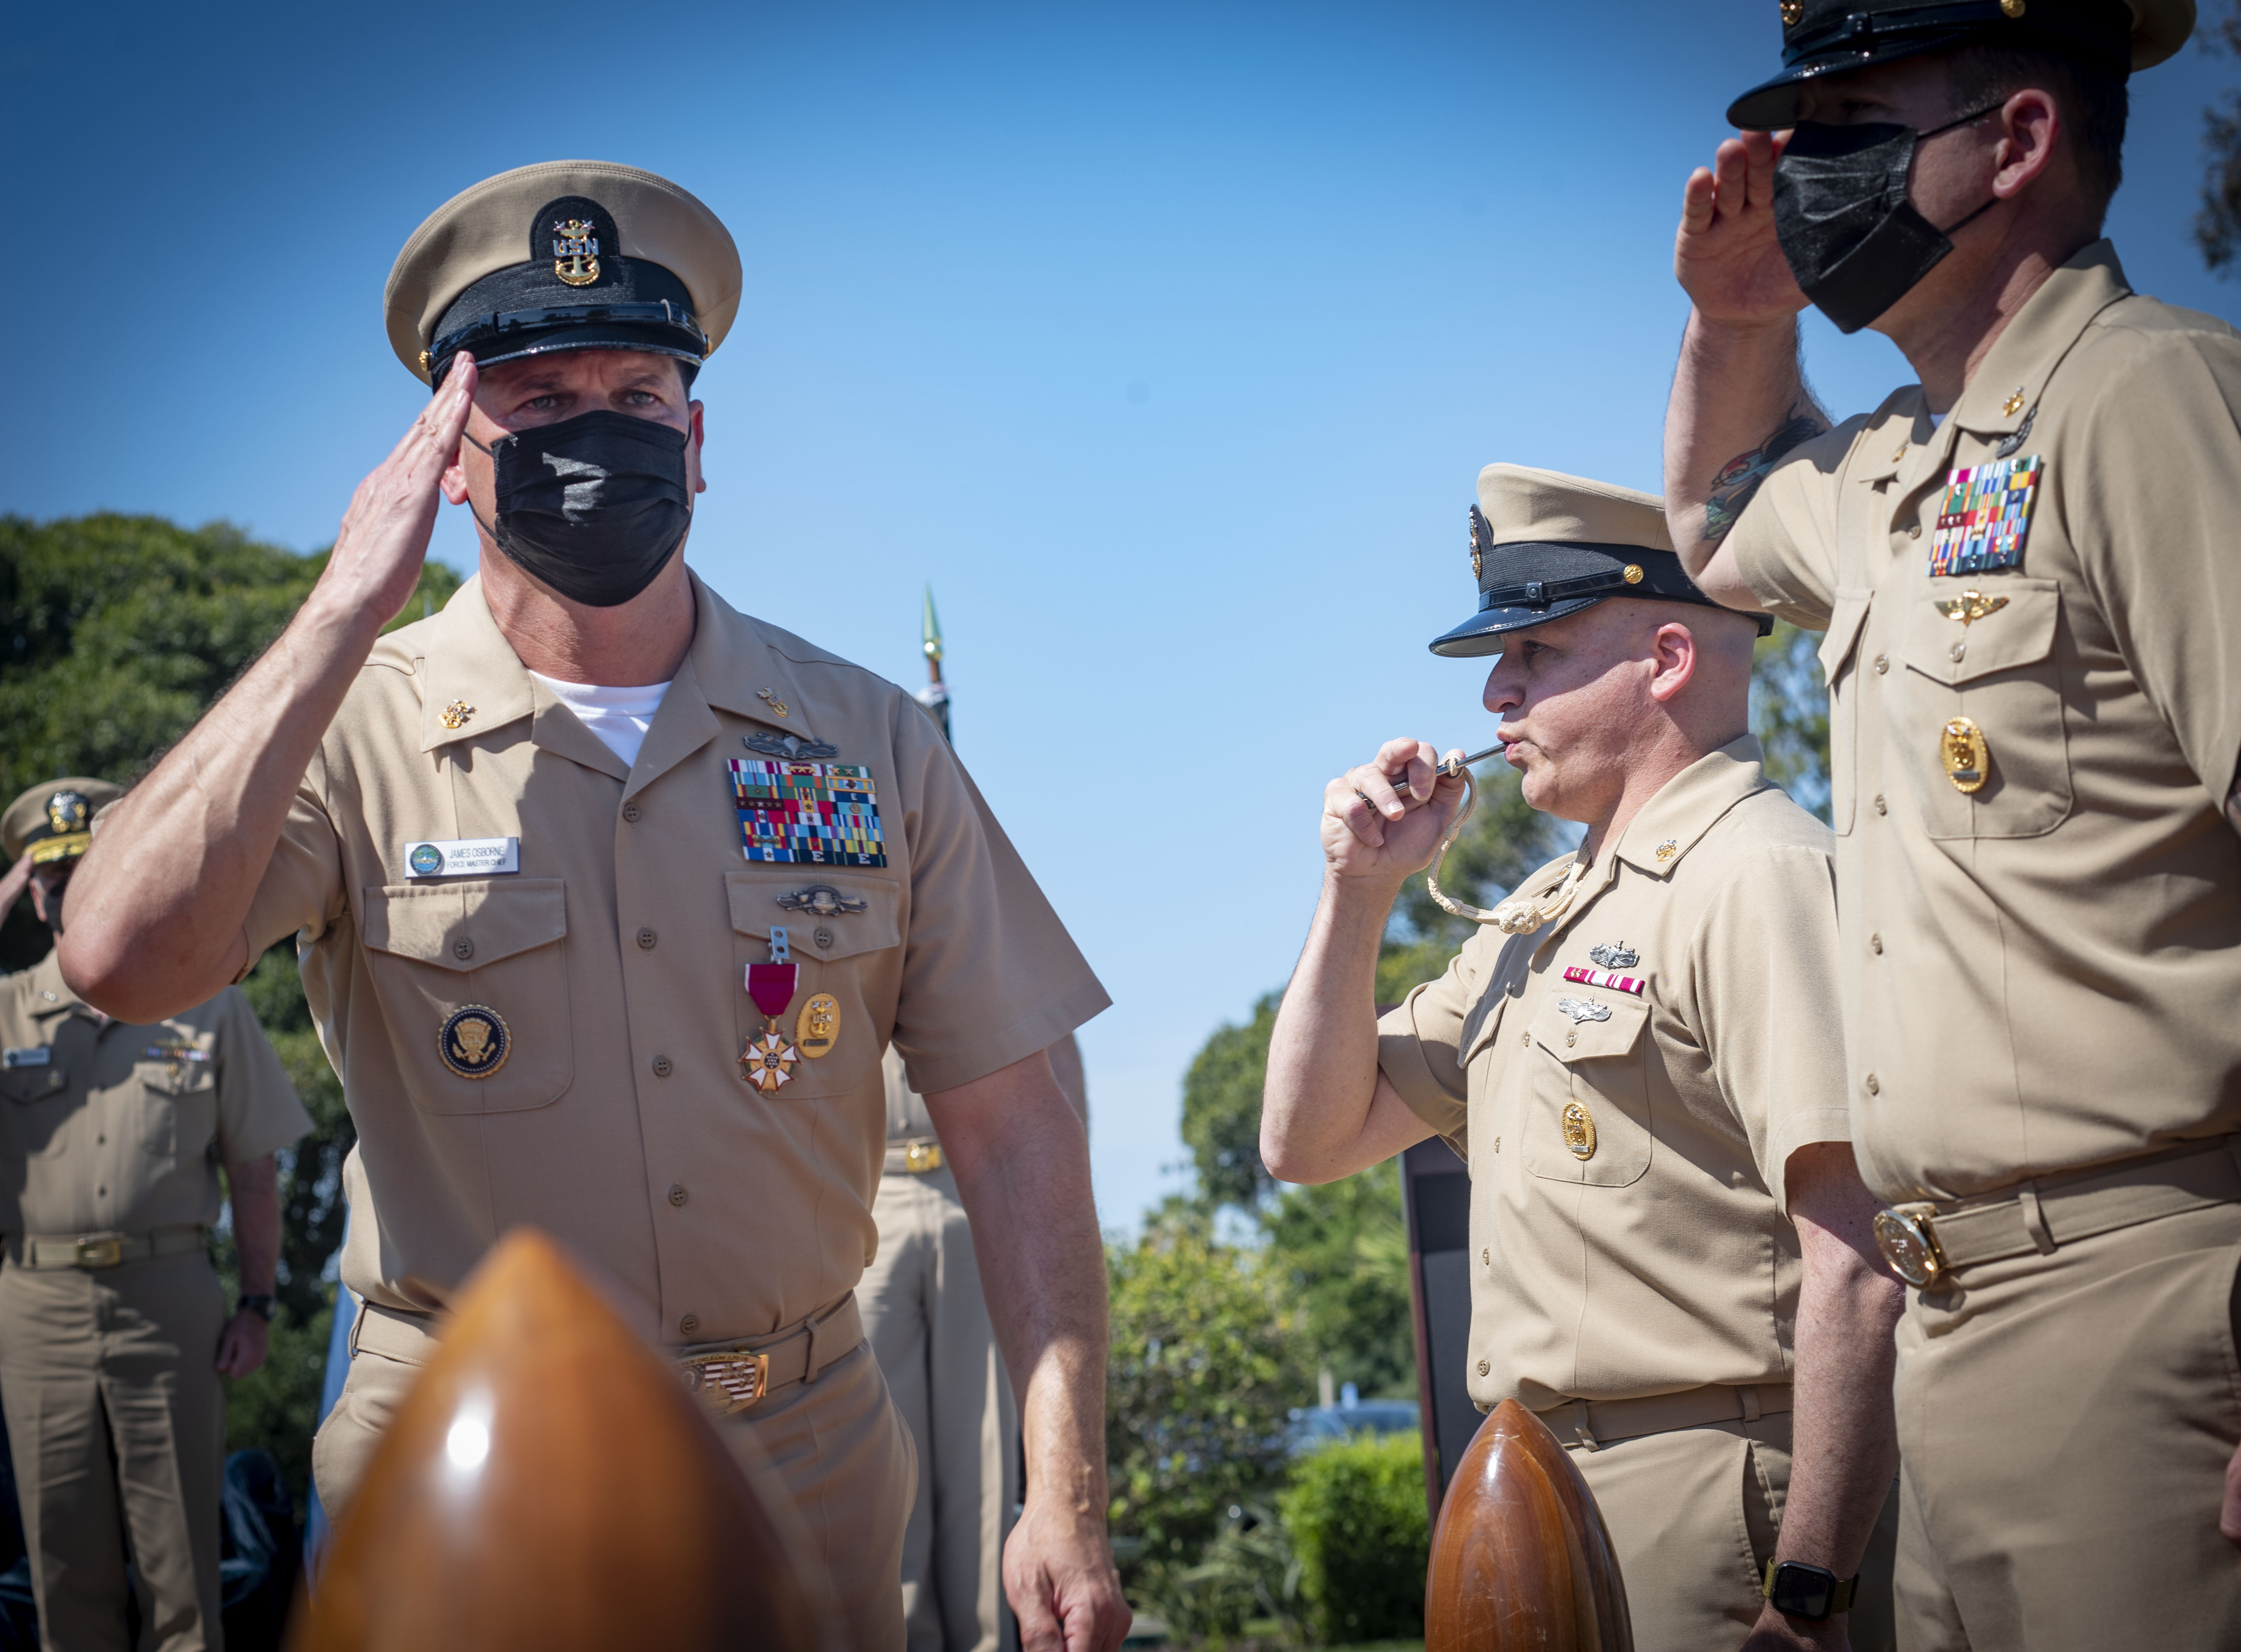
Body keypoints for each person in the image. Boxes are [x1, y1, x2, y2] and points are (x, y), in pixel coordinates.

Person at [55, 162, 1126, 1652]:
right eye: (542, 402)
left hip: (806, 1461)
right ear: (452, 455)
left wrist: (1061, 1491)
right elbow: (118, 957)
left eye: (635, 394)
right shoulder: (350, 735)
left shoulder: (864, 738)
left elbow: (1014, 1129)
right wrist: (339, 608)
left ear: (696, 439)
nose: (598, 432)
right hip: (464, 1468)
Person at [1662, 2, 2241, 1645]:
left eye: (1854, 125)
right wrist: (1733, 318)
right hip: (1950, 1328)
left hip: (2149, 1307)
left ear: (2018, 141)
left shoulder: (2146, 399)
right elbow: (1713, 524)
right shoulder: (1895, 466)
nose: (1807, 171)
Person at [1260, 466, 1905, 1652]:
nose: (1496, 692)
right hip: (1542, 1502)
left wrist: (1810, 1592)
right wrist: (1358, 892)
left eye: (1537, 652)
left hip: (1716, 1507)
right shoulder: (1547, 910)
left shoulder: (1757, 876)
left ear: (1668, 660)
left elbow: (1860, 1257)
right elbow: (1308, 1140)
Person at [0, 779, 311, 1652]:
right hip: (36, 1304)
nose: (68, 895)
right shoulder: (7, 1009)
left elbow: (253, 1171)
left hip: (169, 1299)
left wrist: (257, 1306)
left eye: (86, 875)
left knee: (182, 1564)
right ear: (32, 895)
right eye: (52, 882)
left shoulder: (206, 1000)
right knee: (64, 1567)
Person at [864, 1036, 1088, 1652]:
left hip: (978, 1183)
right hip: (867, 1190)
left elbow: (1055, 1060)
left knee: (985, 1458)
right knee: (880, 1460)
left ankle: (988, 1641)